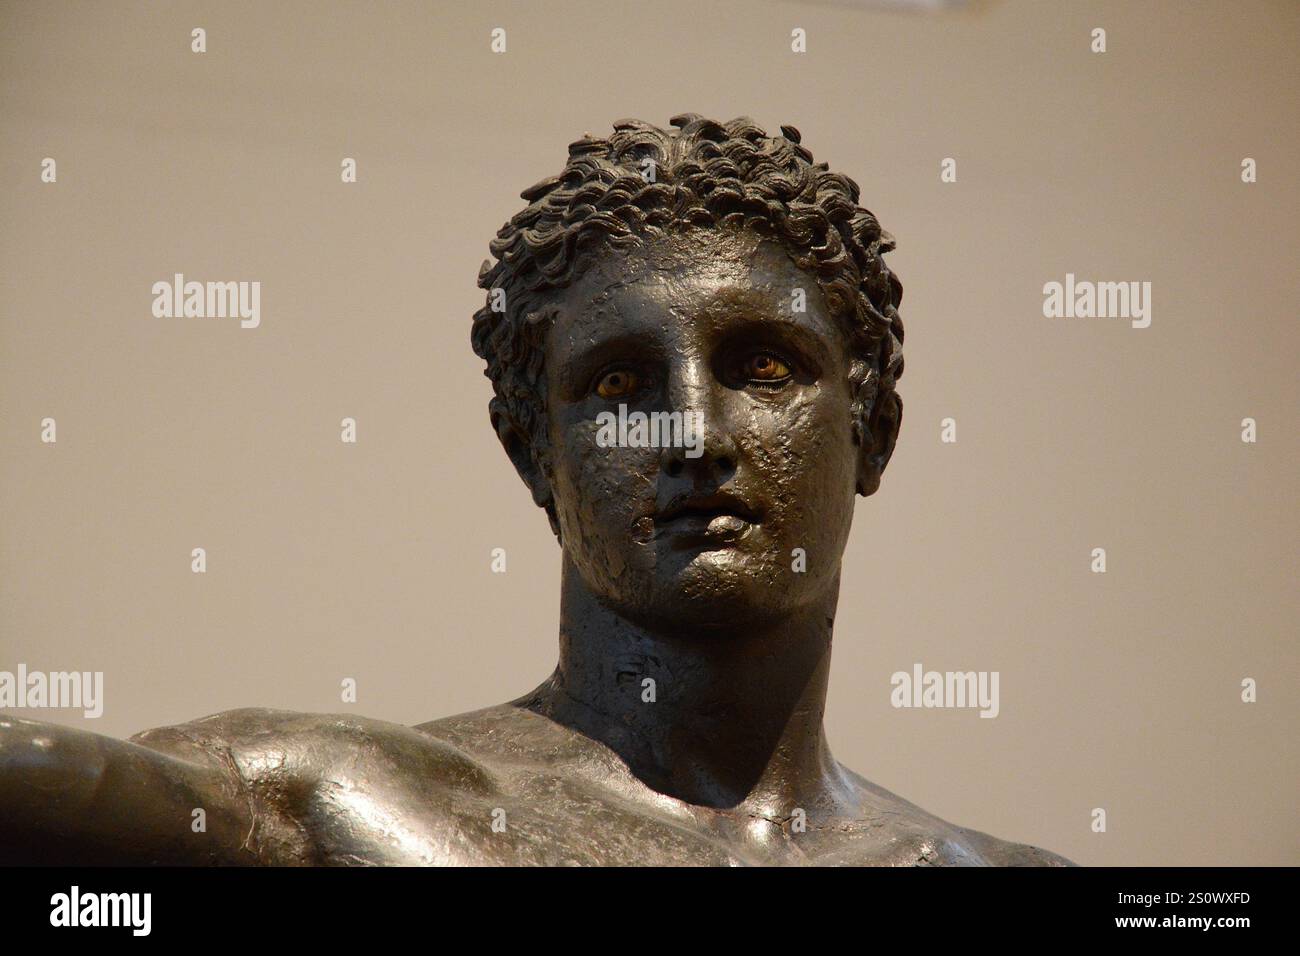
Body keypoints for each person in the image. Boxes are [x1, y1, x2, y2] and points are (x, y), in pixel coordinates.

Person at [0, 115, 1073, 866]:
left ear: (872, 427)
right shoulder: (350, 802)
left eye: (764, 369)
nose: (693, 431)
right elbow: (48, 781)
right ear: (532, 456)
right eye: (617, 383)